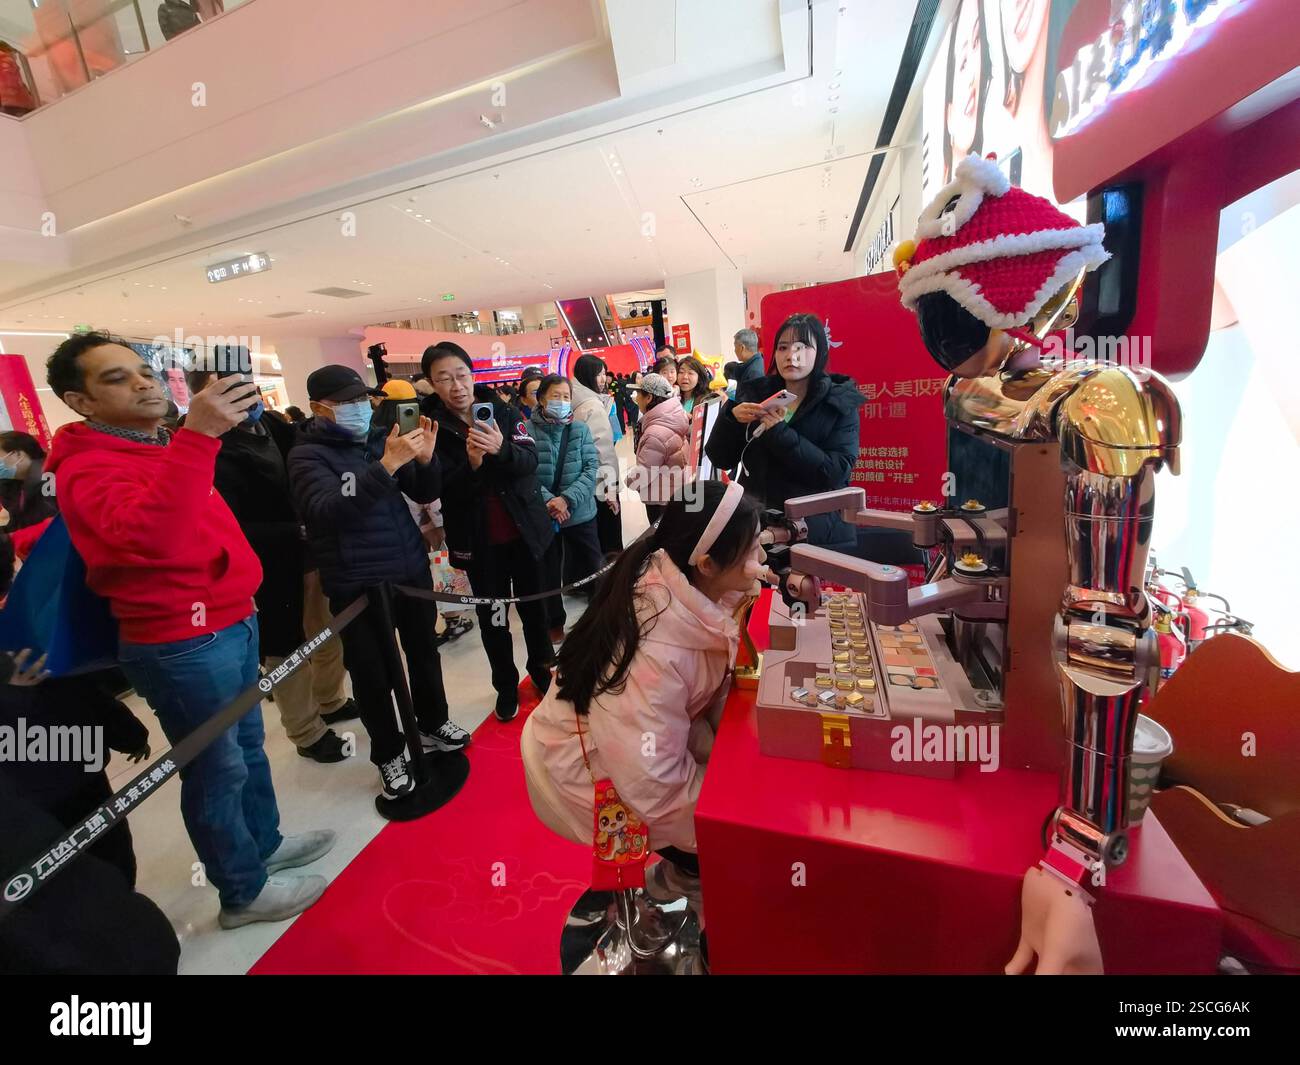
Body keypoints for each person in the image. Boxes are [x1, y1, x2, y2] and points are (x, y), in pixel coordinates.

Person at [44, 332, 334, 930]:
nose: (144, 382)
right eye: (117, 378)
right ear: (80, 402)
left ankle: (264, 844)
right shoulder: (88, 467)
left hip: (232, 621)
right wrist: (199, 437)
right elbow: (156, 539)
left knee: (248, 747)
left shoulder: (157, 445)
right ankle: (242, 891)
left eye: (142, 371)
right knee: (215, 767)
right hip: (181, 641)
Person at [524, 481, 763, 913]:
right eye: (750, 552)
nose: (759, 562)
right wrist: (736, 820)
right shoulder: (651, 654)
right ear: (707, 564)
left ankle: (682, 876)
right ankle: (687, 885)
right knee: (744, 840)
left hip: (635, 747)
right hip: (593, 774)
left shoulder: (681, 578)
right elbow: (653, 788)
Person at [289, 365, 468, 799]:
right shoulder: (306, 456)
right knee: (373, 675)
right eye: (347, 403)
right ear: (319, 408)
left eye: (362, 401)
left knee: (424, 652)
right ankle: (388, 753)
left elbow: (423, 492)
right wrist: (387, 464)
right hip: (358, 584)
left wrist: (424, 461)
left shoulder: (375, 439)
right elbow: (330, 511)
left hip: (408, 570)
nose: (359, 409)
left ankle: (432, 721)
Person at [185, 362, 351, 764]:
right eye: (228, 390)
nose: (244, 396)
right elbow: (224, 522)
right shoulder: (207, 450)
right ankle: (306, 730)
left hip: (314, 555)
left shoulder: (275, 427)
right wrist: (293, 531)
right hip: (267, 566)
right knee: (286, 646)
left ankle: (330, 699)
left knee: (330, 632)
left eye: (248, 386)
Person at [422, 342, 555, 723]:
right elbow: (435, 487)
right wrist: (473, 464)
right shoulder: (432, 427)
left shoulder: (503, 410)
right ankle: (505, 686)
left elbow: (530, 463)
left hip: (526, 533)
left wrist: (500, 449)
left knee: (535, 609)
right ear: (432, 384)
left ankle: (543, 671)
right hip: (479, 544)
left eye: (461, 375)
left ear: (472, 374)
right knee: (493, 619)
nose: (456, 386)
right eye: (443, 379)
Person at [706, 312, 865, 551]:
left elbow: (835, 472)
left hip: (815, 532)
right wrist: (730, 420)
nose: (791, 356)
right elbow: (720, 457)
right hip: (757, 527)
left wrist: (779, 433)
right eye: (783, 348)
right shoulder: (756, 393)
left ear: (820, 351)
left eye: (802, 347)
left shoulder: (839, 402)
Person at [529, 374, 601, 642]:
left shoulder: (579, 429)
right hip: (545, 515)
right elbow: (526, 475)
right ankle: (554, 622)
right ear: (541, 398)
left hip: (580, 512)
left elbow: (591, 468)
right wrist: (550, 501)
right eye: (555, 396)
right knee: (548, 573)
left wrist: (567, 499)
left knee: (594, 566)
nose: (561, 401)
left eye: (566, 397)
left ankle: (600, 615)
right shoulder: (526, 431)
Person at [569, 354, 622, 556]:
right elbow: (603, 451)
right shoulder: (592, 405)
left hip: (581, 481)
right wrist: (611, 489)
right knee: (610, 540)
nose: (603, 379)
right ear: (587, 375)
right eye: (599, 374)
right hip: (600, 484)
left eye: (604, 374)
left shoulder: (572, 399)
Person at [626, 372, 690, 524]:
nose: (636, 398)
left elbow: (644, 474)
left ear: (648, 398)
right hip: (675, 491)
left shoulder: (655, 433)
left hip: (661, 498)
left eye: (639, 394)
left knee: (662, 539)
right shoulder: (674, 417)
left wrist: (628, 480)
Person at [0, 431, 57, 531]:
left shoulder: (49, 481)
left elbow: (49, 527)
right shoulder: (12, 485)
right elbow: (18, 523)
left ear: (17, 455)